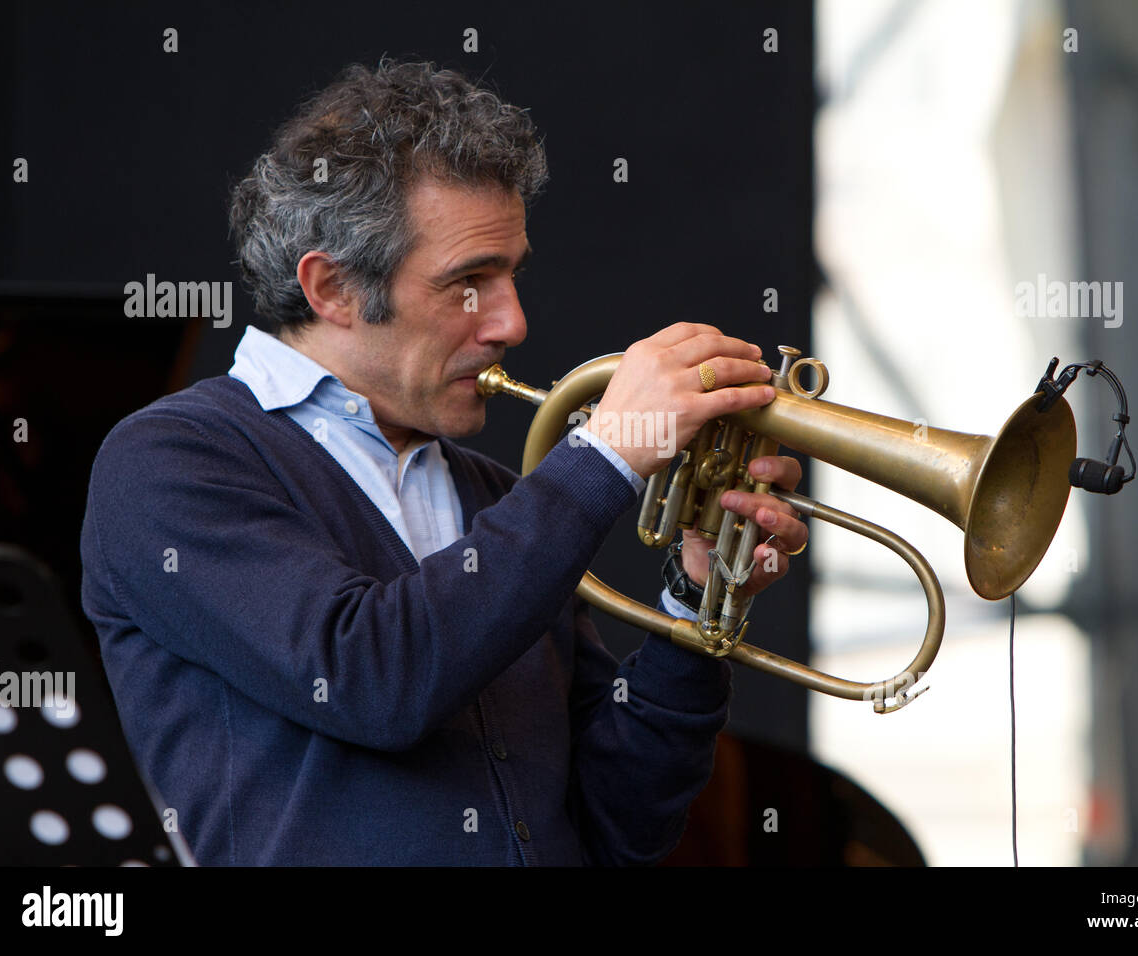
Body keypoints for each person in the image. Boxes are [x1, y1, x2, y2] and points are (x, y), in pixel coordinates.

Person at [79, 59, 808, 865]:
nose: (512, 323)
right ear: (333, 289)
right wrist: (603, 456)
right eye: (469, 284)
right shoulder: (170, 461)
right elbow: (369, 681)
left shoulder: (496, 497)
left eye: (512, 276)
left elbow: (620, 823)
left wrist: (691, 603)